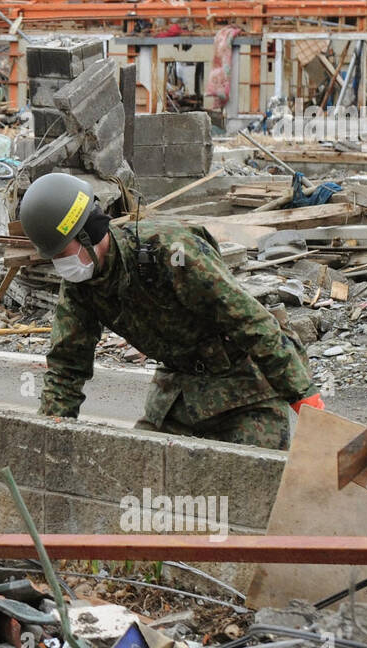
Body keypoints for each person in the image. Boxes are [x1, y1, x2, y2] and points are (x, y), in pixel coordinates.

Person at [18, 173, 323, 449]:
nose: (61, 264)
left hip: (246, 383)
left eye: (62, 253)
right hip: (180, 389)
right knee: (141, 473)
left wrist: (302, 393)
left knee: (249, 481)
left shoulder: (172, 251)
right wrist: (51, 435)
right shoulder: (81, 284)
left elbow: (250, 321)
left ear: (88, 235)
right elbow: (66, 365)